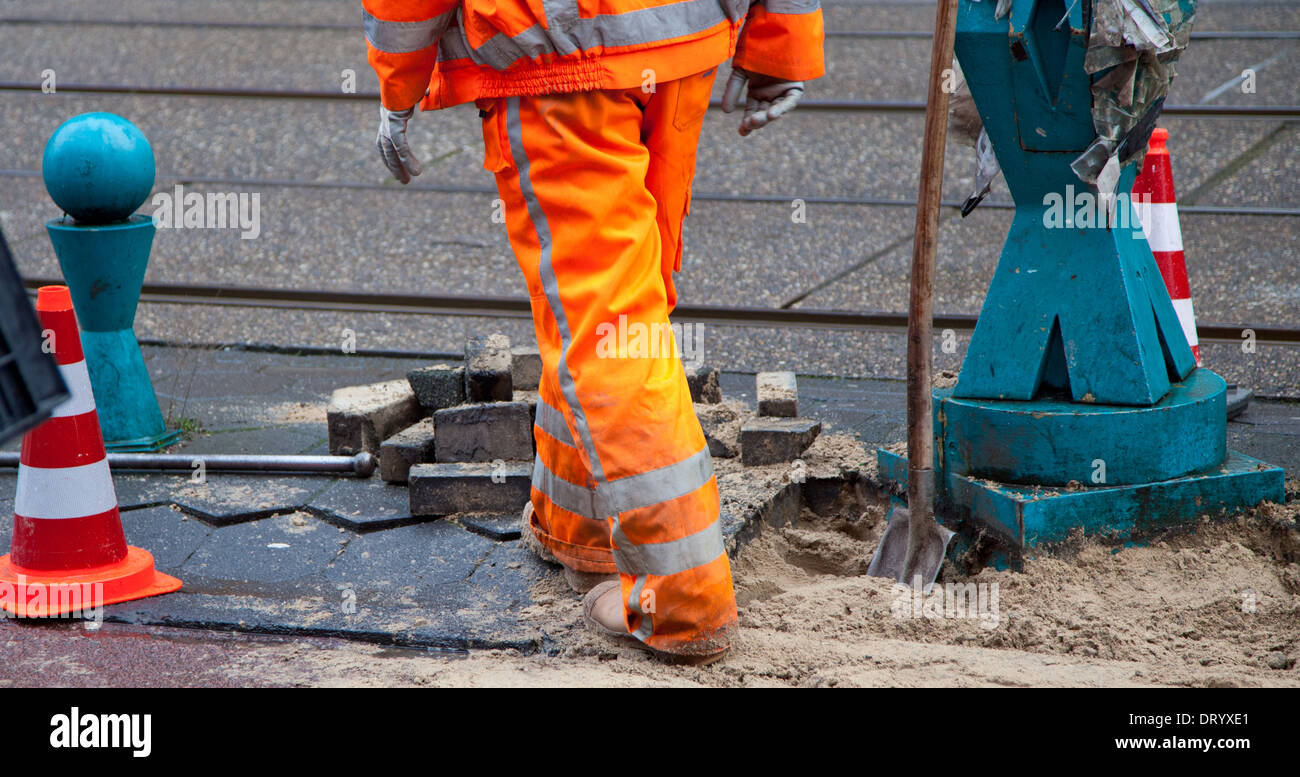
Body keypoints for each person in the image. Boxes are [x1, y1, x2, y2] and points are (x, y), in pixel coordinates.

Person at [364, 0, 824, 664]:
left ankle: (682, 599)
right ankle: (580, 530)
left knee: (609, 324)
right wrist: (780, 42)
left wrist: (399, 82)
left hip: (560, 53)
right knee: (619, 299)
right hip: (681, 36)